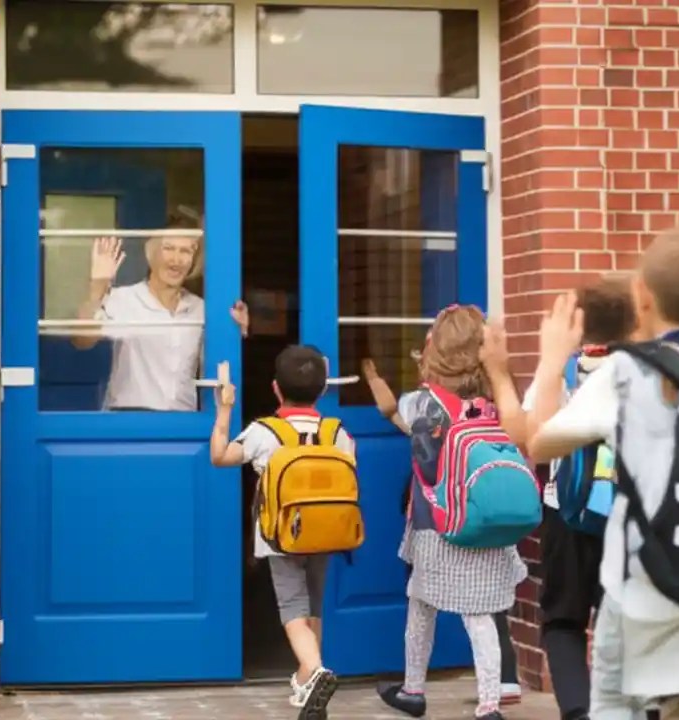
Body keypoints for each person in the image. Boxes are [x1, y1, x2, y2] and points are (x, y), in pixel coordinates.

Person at [526, 226, 679, 720]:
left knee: (620, 703)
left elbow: (540, 439)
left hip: (648, 578)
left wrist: (553, 360)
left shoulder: (627, 373)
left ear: (643, 297)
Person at [481, 278, 637, 720]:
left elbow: (524, 436)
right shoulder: (645, 372)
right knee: (625, 619)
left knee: (564, 621)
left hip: (566, 513)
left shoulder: (565, 374)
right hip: (629, 516)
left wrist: (498, 371)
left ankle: (579, 709)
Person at [375, 305, 528, 720]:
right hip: (484, 522)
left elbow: (406, 424)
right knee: (480, 615)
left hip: (436, 523)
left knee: (421, 604)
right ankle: (490, 703)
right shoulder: (493, 400)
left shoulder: (424, 403)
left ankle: (413, 689)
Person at [209, 345, 352, 719]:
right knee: (314, 606)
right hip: (327, 533)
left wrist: (224, 409)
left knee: (292, 607)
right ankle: (307, 680)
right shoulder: (337, 432)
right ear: (322, 390)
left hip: (280, 534)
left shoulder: (264, 431)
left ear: (275, 389)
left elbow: (220, 456)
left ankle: (315, 671)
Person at [73, 222, 248, 411]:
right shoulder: (126, 298)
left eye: (186, 251)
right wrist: (97, 288)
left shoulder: (199, 308)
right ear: (151, 255)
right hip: (128, 418)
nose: (177, 259)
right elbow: (82, 340)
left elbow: (219, 365)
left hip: (184, 421)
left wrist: (237, 331)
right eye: (169, 248)